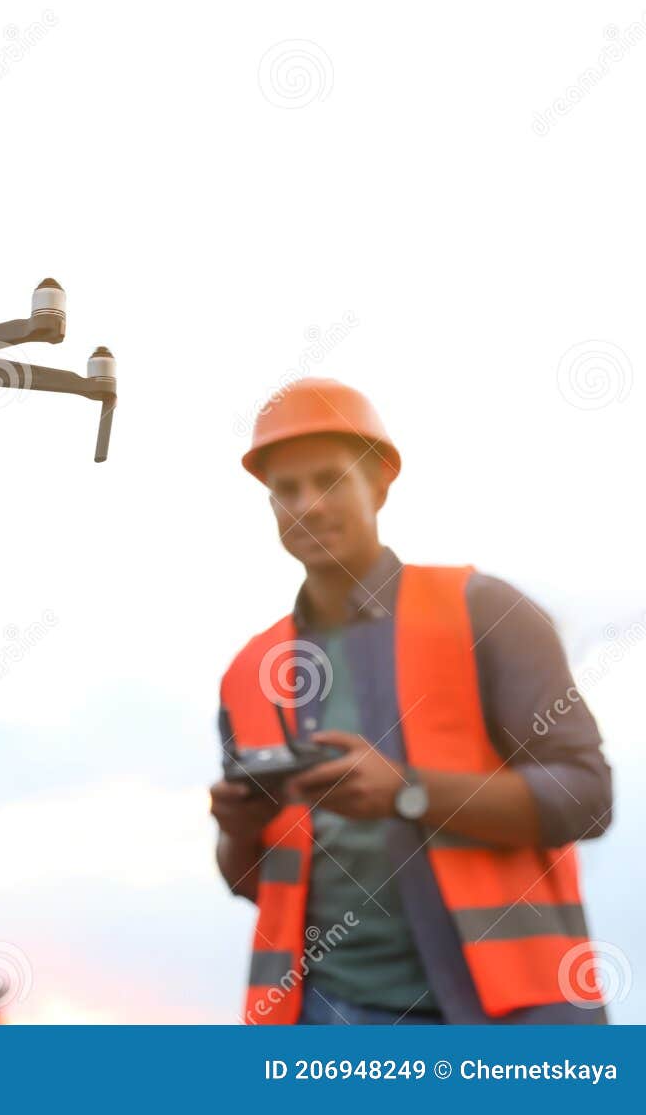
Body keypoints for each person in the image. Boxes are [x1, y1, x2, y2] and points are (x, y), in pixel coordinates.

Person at [210, 378, 612, 1025]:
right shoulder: (250, 670)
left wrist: (407, 791)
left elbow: (587, 798)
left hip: (511, 1018)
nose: (307, 505)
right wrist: (235, 830)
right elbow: (254, 882)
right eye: (286, 489)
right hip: (324, 1015)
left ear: (381, 484)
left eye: (330, 480)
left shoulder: (486, 612)